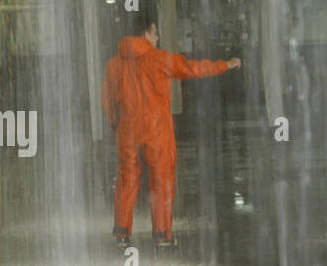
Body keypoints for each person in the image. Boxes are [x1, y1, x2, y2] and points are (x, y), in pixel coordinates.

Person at [100, 13, 239, 249]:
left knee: (126, 179)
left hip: (128, 132)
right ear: (145, 33)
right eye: (155, 33)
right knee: (161, 180)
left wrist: (116, 125)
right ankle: (162, 235)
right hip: (157, 131)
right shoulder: (159, 58)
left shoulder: (114, 64)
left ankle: (122, 234)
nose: (157, 38)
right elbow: (191, 68)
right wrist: (225, 65)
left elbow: (107, 100)